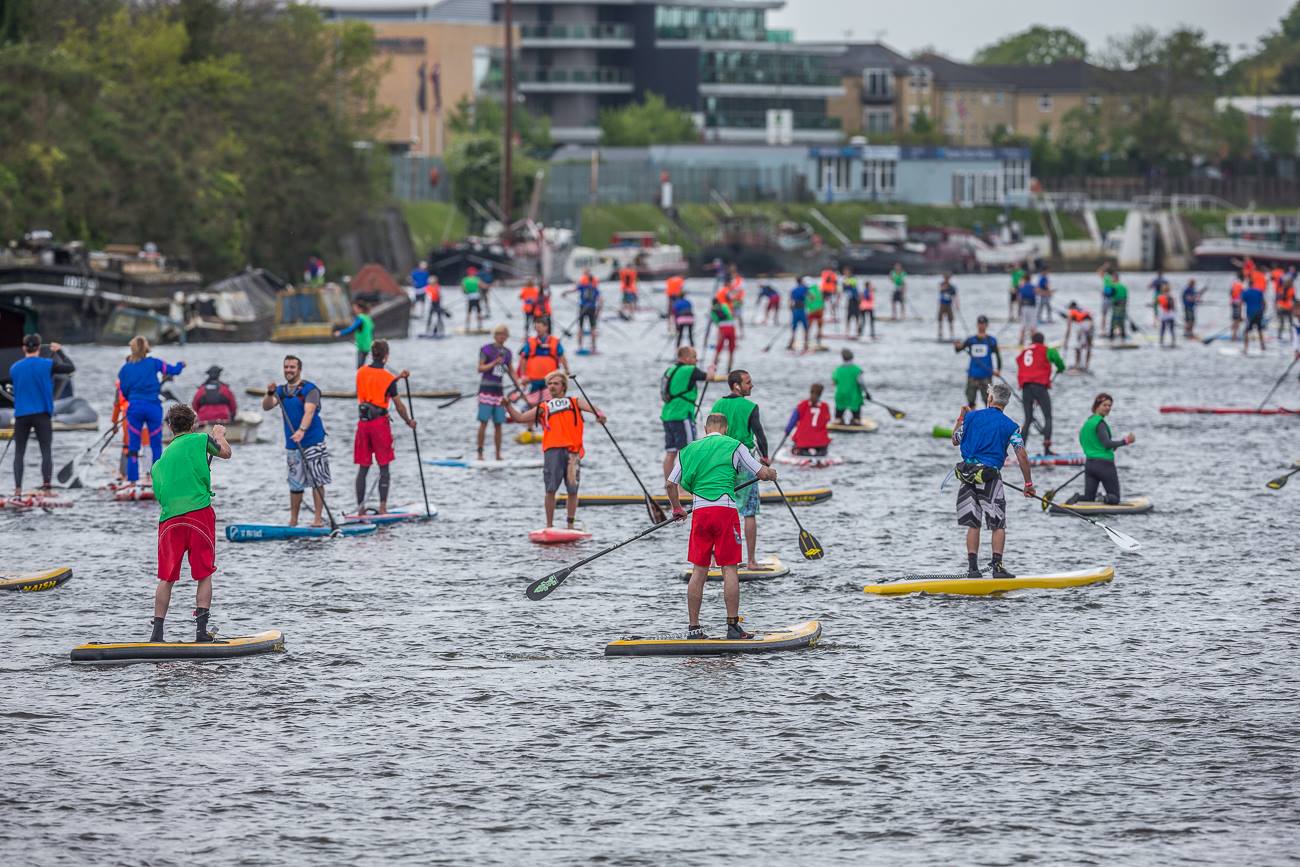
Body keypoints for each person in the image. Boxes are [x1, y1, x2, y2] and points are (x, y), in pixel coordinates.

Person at [666, 412, 779, 640]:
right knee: (729, 568)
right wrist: (770, 474)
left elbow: (670, 484)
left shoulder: (688, 450)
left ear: (706, 429)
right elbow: (760, 472)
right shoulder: (735, 446)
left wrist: (678, 508)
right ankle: (732, 627)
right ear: (725, 428)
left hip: (700, 513)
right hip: (725, 512)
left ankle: (694, 629)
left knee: (699, 570)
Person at [148, 404, 231, 644]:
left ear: (169, 426)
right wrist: (219, 435)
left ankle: (157, 635)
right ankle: (201, 633)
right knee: (204, 573)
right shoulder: (201, 439)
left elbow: (160, 494)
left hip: (169, 521)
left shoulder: (159, 462)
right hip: (199, 516)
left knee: (167, 577)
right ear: (193, 424)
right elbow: (225, 453)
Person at [951, 381, 1034, 579]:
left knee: (974, 524)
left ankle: (973, 569)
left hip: (967, 476)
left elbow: (955, 439)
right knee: (998, 524)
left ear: (989, 398)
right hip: (989, 478)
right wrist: (1028, 484)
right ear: (1006, 402)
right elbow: (1021, 454)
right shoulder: (1011, 426)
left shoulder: (971, 417)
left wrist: (961, 418)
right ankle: (997, 568)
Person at [505, 371, 604, 529]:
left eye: (555, 383)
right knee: (550, 489)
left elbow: (594, 409)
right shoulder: (543, 407)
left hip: (573, 452)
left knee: (572, 490)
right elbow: (520, 418)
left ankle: (570, 526)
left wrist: (600, 415)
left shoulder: (574, 402)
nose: (551, 386)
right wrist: (508, 406)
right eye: (549, 384)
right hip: (552, 451)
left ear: (563, 387)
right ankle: (549, 526)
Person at [708, 370, 770, 571]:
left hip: (721, 462)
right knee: (749, 512)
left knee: (719, 510)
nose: (751, 386)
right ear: (736, 386)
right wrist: (765, 459)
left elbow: (710, 431)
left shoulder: (717, 405)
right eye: (748, 382)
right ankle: (751, 561)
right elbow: (759, 434)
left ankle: (713, 560)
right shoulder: (751, 406)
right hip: (744, 462)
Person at [262, 355, 330, 528]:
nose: (288, 370)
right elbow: (267, 406)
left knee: (317, 480)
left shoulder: (310, 389)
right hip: (292, 444)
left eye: (292, 367)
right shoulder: (281, 390)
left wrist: (301, 430)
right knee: (295, 483)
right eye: (286, 367)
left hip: (313, 441)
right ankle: (293, 520)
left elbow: (309, 411)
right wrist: (270, 393)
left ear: (299, 369)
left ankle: (318, 519)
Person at [353, 339, 416, 515]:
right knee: (384, 467)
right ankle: (382, 507)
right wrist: (408, 421)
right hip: (380, 425)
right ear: (386, 356)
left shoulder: (360, 372)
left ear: (372, 354)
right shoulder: (388, 377)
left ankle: (360, 510)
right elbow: (399, 405)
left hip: (363, 424)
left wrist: (397, 377)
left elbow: (372, 381)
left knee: (363, 468)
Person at [8, 334, 75, 494]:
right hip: (42, 414)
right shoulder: (48, 364)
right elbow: (70, 367)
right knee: (46, 451)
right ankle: (47, 488)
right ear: (39, 347)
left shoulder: (14, 368)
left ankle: (18, 489)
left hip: (22, 415)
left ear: (24, 348)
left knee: (19, 452)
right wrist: (60, 351)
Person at [118, 336, 185, 487]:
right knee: (156, 445)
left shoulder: (125, 369)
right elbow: (173, 371)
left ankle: (132, 482)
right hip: (153, 408)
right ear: (146, 348)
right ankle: (158, 480)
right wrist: (181, 365)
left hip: (134, 409)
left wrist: (134, 398)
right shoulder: (155, 362)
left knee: (133, 446)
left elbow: (124, 390)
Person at [1070, 392, 1134, 506]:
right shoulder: (1100, 423)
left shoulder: (1087, 423)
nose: (1108, 408)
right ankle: (1102, 498)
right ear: (1097, 406)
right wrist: (1126, 441)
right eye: (1104, 405)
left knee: (1089, 498)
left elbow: (1087, 442)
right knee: (1115, 498)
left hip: (1090, 464)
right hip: (1105, 465)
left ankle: (1077, 497)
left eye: (1110, 405)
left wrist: (1108, 447)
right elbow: (1106, 444)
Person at [660, 345, 709, 479]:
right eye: (694, 357)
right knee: (688, 452)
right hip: (682, 416)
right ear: (686, 358)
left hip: (667, 415)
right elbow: (708, 377)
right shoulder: (689, 369)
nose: (696, 361)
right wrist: (713, 370)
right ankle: (683, 489)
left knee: (671, 453)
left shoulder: (670, 369)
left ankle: (668, 486)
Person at [1016, 332, 1065, 454]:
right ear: (1043, 341)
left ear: (1032, 341)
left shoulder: (1024, 351)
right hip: (1040, 387)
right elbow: (1060, 363)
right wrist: (1060, 369)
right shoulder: (1047, 350)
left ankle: (1021, 451)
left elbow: (1018, 361)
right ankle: (1047, 449)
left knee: (1027, 419)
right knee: (1047, 417)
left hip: (1026, 388)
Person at [476, 325, 512, 462]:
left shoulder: (507, 353)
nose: (501, 337)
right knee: (483, 422)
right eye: (499, 334)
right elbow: (480, 368)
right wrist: (494, 363)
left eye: (504, 335)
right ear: (495, 335)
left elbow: (510, 370)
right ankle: (480, 453)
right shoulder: (486, 349)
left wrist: (520, 382)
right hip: (486, 390)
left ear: (507, 337)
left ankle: (498, 454)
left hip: (499, 391)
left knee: (499, 423)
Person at [517, 318, 569, 404]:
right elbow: (523, 359)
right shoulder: (530, 341)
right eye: (536, 328)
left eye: (539, 327)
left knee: (550, 402)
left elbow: (562, 357)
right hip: (533, 380)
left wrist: (567, 370)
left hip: (550, 380)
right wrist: (523, 376)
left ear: (546, 328)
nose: (537, 330)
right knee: (532, 402)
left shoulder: (555, 341)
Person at [954, 316, 1001, 409]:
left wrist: (998, 370)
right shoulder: (971, 340)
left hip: (986, 376)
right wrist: (957, 345)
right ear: (977, 325)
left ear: (986, 325)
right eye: (979, 324)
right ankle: (973, 419)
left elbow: (998, 356)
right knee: (971, 401)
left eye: (983, 324)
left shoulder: (991, 340)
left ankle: (987, 420)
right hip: (973, 375)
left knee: (988, 402)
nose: (981, 326)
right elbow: (958, 350)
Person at [785, 383, 831, 456]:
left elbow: (792, 422)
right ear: (821, 394)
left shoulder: (802, 404)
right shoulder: (825, 406)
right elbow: (827, 420)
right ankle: (816, 451)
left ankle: (804, 451)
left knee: (796, 450)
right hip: (821, 443)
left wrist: (787, 432)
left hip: (803, 443)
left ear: (810, 392)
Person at [832, 348, 870, 424]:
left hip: (840, 395)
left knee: (838, 415)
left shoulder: (837, 370)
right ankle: (855, 420)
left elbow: (834, 383)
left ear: (842, 358)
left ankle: (838, 420)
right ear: (852, 357)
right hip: (853, 396)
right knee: (856, 417)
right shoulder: (856, 370)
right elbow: (861, 383)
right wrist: (867, 393)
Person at [334, 300, 374, 368]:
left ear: (360, 309)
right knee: (363, 366)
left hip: (362, 346)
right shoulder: (367, 318)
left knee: (359, 367)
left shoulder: (360, 318)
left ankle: (362, 378)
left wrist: (340, 333)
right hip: (369, 345)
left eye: (355, 308)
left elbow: (351, 328)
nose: (354, 310)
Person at [570, 270, 601, 353]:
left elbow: (573, 290)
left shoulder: (582, 286)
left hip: (583, 308)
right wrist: (598, 311)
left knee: (580, 328)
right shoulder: (595, 288)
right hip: (592, 308)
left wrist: (565, 293)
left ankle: (580, 347)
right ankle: (594, 348)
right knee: (593, 329)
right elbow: (600, 300)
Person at [710, 293, 737, 373]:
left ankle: (713, 370)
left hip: (722, 329)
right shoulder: (724, 306)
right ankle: (729, 371)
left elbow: (717, 322)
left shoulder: (712, 310)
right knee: (731, 351)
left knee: (718, 350)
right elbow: (731, 316)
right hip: (732, 328)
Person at [1064, 302, 1094, 371]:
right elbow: (1091, 318)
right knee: (1089, 347)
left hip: (1083, 327)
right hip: (1091, 326)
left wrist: (1066, 340)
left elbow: (1068, 329)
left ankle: (1077, 365)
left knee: (1078, 347)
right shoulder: (1083, 309)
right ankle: (1086, 365)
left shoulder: (1071, 313)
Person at [1242, 276, 1267, 354]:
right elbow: (1264, 303)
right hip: (1259, 314)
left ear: (1248, 284)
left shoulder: (1245, 292)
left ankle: (1245, 349)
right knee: (1259, 330)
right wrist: (1263, 312)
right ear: (1253, 284)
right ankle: (1262, 346)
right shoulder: (1259, 292)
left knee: (1246, 331)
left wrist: (1240, 316)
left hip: (1251, 314)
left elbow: (1240, 303)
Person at [787, 277, 810, 351]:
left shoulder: (793, 290)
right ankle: (806, 345)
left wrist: (792, 311)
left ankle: (791, 344)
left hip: (795, 311)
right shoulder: (805, 288)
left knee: (794, 328)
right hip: (802, 310)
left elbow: (790, 303)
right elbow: (811, 297)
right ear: (802, 281)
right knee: (806, 328)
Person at [1016, 271, 1038, 346]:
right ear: (1030, 279)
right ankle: (1035, 343)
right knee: (1033, 326)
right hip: (1032, 308)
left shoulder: (1021, 287)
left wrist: (1018, 310)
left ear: (1024, 279)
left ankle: (1020, 343)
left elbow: (1019, 299)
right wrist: (1048, 293)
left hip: (1024, 308)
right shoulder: (1033, 287)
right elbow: (1040, 292)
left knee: (1023, 326)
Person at [1107, 275, 1129, 341]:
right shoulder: (1124, 287)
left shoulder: (1113, 286)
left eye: (1112, 278)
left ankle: (1111, 335)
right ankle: (1123, 335)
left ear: (1115, 278)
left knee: (1114, 320)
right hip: (1123, 306)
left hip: (1116, 306)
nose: (1111, 280)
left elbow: (1108, 294)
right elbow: (1126, 297)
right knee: (1121, 320)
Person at [462, 266, 484, 331]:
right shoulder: (477, 279)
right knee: (478, 312)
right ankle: (479, 326)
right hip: (476, 296)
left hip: (469, 297)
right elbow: (482, 286)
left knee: (469, 312)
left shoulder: (465, 280)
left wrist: (467, 292)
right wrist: (487, 286)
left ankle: (467, 326)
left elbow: (463, 289)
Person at [725, 265, 746, 334]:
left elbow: (739, 290)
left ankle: (741, 332)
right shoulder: (732, 280)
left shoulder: (740, 280)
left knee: (738, 317)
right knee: (733, 317)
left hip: (737, 301)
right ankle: (734, 332)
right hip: (733, 301)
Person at [937, 273, 958, 340]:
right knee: (940, 319)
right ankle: (940, 333)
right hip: (942, 304)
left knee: (950, 320)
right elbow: (940, 290)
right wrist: (944, 287)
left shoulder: (952, 287)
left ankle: (952, 333)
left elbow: (955, 296)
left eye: (947, 278)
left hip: (949, 305)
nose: (946, 279)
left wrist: (957, 304)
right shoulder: (942, 284)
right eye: (945, 278)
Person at [806, 275, 826, 345]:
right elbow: (822, 299)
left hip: (812, 310)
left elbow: (808, 300)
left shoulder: (808, 290)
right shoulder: (819, 289)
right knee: (819, 325)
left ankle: (806, 339)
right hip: (820, 309)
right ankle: (819, 340)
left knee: (808, 325)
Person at [1156, 283, 1177, 347]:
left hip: (1164, 315)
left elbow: (1157, 304)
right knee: (1172, 329)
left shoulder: (1160, 296)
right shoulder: (1171, 297)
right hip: (1170, 315)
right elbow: (1173, 307)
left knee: (1163, 329)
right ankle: (1173, 341)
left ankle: (1161, 341)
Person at [841, 267, 861, 334]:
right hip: (849, 299)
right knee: (848, 316)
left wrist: (846, 284)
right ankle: (847, 332)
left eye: (846, 271)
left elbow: (852, 286)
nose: (844, 273)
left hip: (855, 299)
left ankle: (857, 331)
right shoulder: (845, 279)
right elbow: (844, 289)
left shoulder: (852, 278)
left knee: (856, 315)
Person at [1276, 274, 1295, 340]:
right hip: (1282, 307)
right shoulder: (1281, 289)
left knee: (1291, 323)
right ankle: (1279, 336)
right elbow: (1279, 298)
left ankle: (1292, 336)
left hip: (1289, 308)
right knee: (1282, 323)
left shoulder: (1291, 289)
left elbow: (1293, 298)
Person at [1230, 271, 1245, 340]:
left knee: (1235, 319)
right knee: (1237, 320)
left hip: (1233, 302)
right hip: (1238, 303)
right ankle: (1234, 336)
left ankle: (1233, 334)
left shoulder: (1234, 283)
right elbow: (1242, 296)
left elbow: (1231, 292)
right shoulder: (1241, 285)